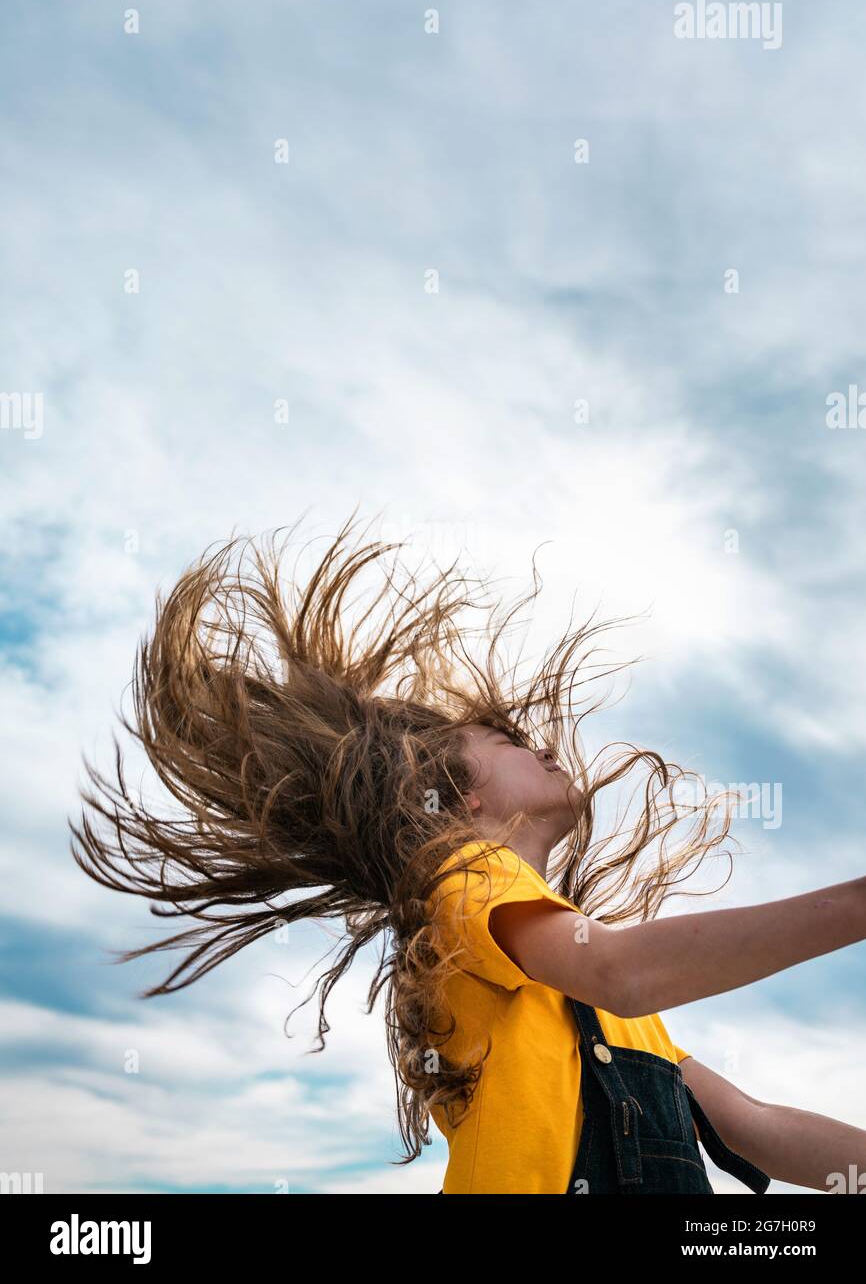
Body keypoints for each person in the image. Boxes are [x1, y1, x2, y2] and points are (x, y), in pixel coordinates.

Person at [70, 511, 866, 1194]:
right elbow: (622, 970)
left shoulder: (614, 1010)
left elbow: (756, 1127)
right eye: (507, 741)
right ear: (461, 798)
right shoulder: (460, 880)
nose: (543, 746)